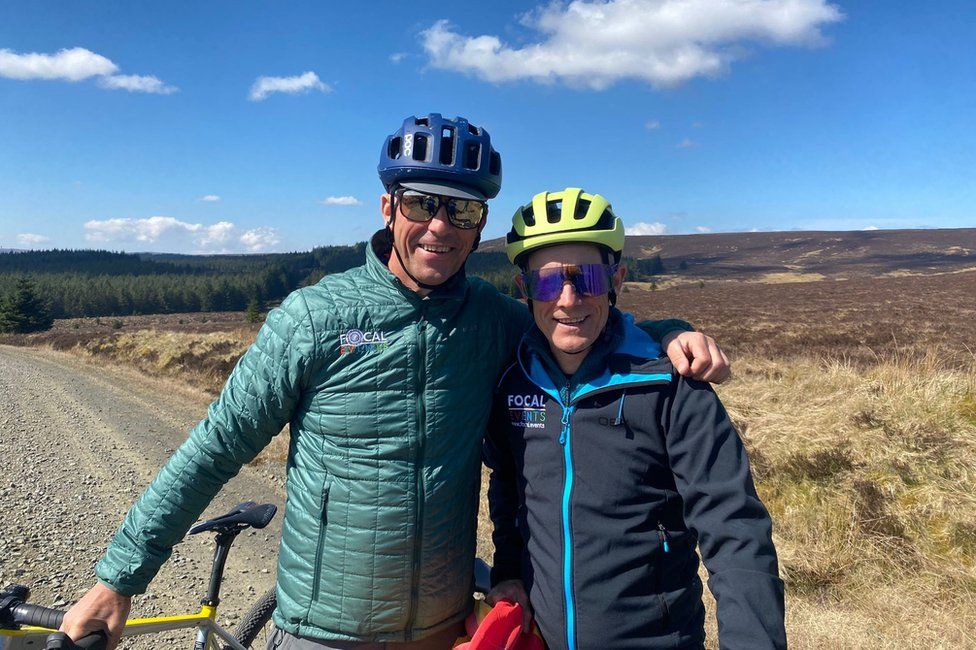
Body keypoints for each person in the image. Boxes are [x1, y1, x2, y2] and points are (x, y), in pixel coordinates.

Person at [60, 117, 730, 650]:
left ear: (481, 228)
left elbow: (581, 322)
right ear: (388, 205)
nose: (439, 226)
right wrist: (120, 578)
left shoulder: (495, 323)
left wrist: (668, 331)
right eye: (422, 204)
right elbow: (213, 448)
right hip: (322, 629)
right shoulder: (317, 318)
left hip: (443, 630)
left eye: (461, 212)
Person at [484, 188, 786, 650]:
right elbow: (509, 488)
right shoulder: (512, 382)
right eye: (547, 282)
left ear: (616, 280)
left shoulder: (672, 387)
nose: (568, 299)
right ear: (524, 289)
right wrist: (506, 571)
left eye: (586, 278)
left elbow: (735, 530)